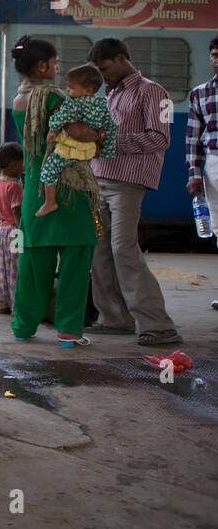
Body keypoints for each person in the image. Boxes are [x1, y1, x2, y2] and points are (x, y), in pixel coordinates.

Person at [85, 38, 183, 346]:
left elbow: (160, 138)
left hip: (127, 184)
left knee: (123, 249)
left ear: (119, 59)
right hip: (99, 178)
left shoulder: (153, 92)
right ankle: (114, 318)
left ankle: (158, 324)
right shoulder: (111, 93)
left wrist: (108, 142)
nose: (102, 77)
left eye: (104, 69)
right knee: (98, 251)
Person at [9, 36, 103, 347]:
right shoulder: (54, 97)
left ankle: (23, 326)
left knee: (34, 265)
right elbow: (76, 130)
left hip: (36, 188)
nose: (58, 68)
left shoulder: (19, 100)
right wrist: (100, 134)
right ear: (42, 65)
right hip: (70, 190)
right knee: (75, 264)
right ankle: (68, 332)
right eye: (56, 63)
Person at [36, 65, 117, 218]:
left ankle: (50, 202)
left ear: (88, 90)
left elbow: (62, 117)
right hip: (87, 152)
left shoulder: (73, 103)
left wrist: (53, 130)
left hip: (68, 149)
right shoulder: (102, 105)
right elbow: (111, 127)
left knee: (48, 172)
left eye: (71, 88)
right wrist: (106, 150)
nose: (68, 91)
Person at [185, 35, 218, 235]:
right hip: (214, 162)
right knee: (216, 220)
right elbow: (193, 139)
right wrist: (194, 174)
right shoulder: (200, 93)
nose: (216, 59)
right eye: (214, 55)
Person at [0, 141, 24, 314]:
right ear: (13, 164)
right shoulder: (15, 186)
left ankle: (2, 302)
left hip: (1, 232)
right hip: (14, 231)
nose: (22, 167)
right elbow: (17, 210)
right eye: (21, 163)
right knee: (15, 268)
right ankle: (15, 302)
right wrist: (22, 232)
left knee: (1, 266)